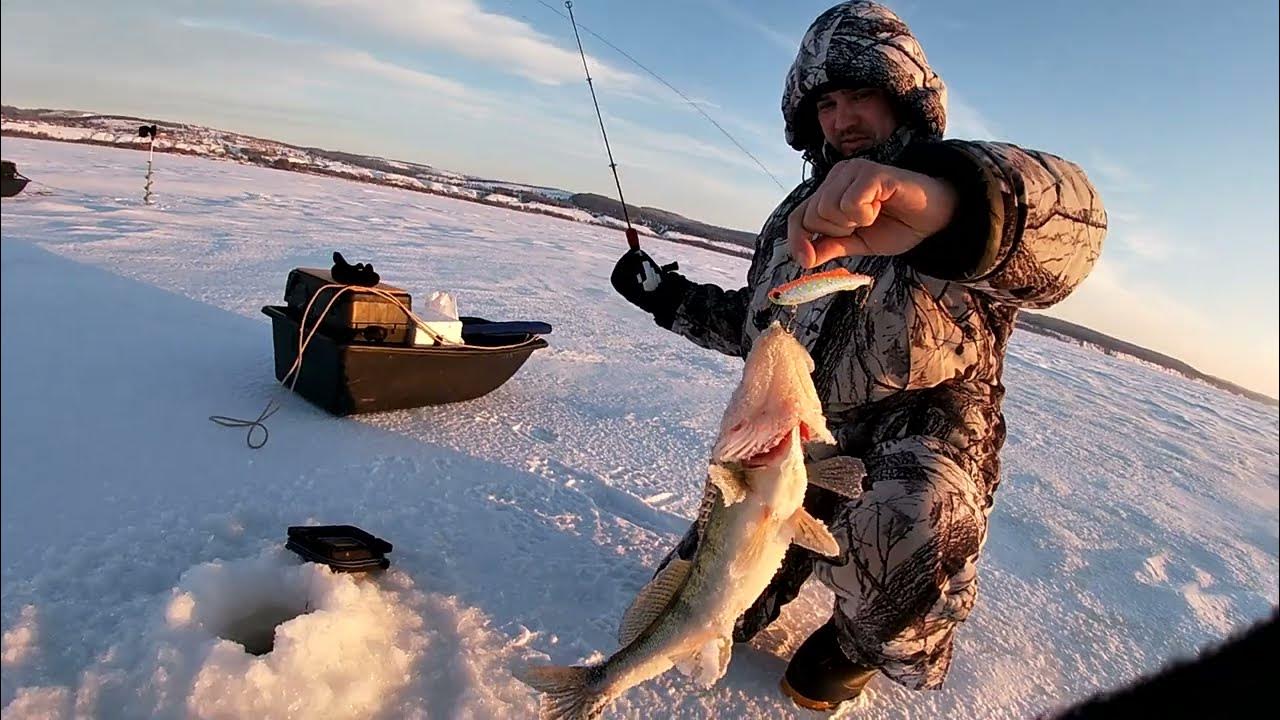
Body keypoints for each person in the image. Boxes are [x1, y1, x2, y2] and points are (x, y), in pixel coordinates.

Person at [610, 0, 1107, 712]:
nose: (843, 118)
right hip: (804, 445)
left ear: (904, 98)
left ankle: (855, 645)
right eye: (827, 103)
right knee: (700, 609)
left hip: (916, 443)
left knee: (914, 520)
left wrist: (945, 203)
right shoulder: (796, 215)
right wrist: (668, 296)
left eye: (862, 95)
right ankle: (776, 573)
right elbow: (763, 327)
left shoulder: (960, 192)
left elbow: (1072, 226)